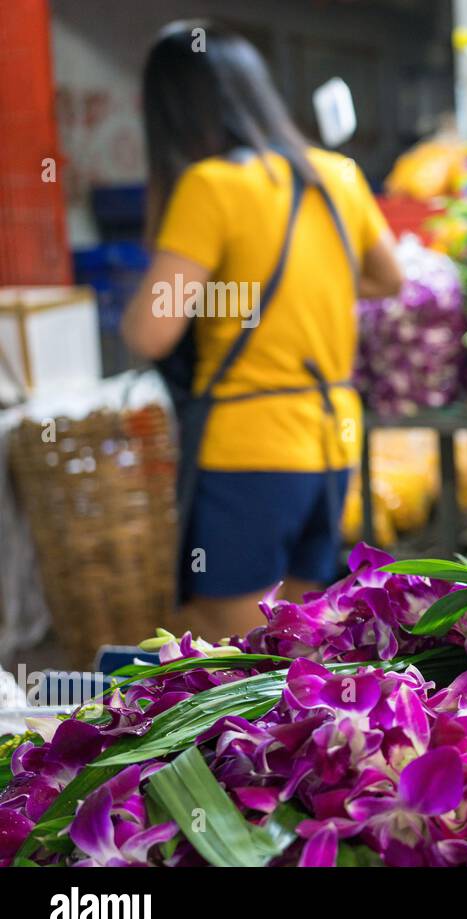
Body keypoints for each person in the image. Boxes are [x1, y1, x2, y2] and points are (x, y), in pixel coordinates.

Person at [122, 21, 403, 639]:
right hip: (330, 446)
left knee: (232, 658)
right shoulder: (338, 176)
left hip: (247, 453)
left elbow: (150, 333)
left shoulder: (210, 185)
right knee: (298, 648)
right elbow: (388, 279)